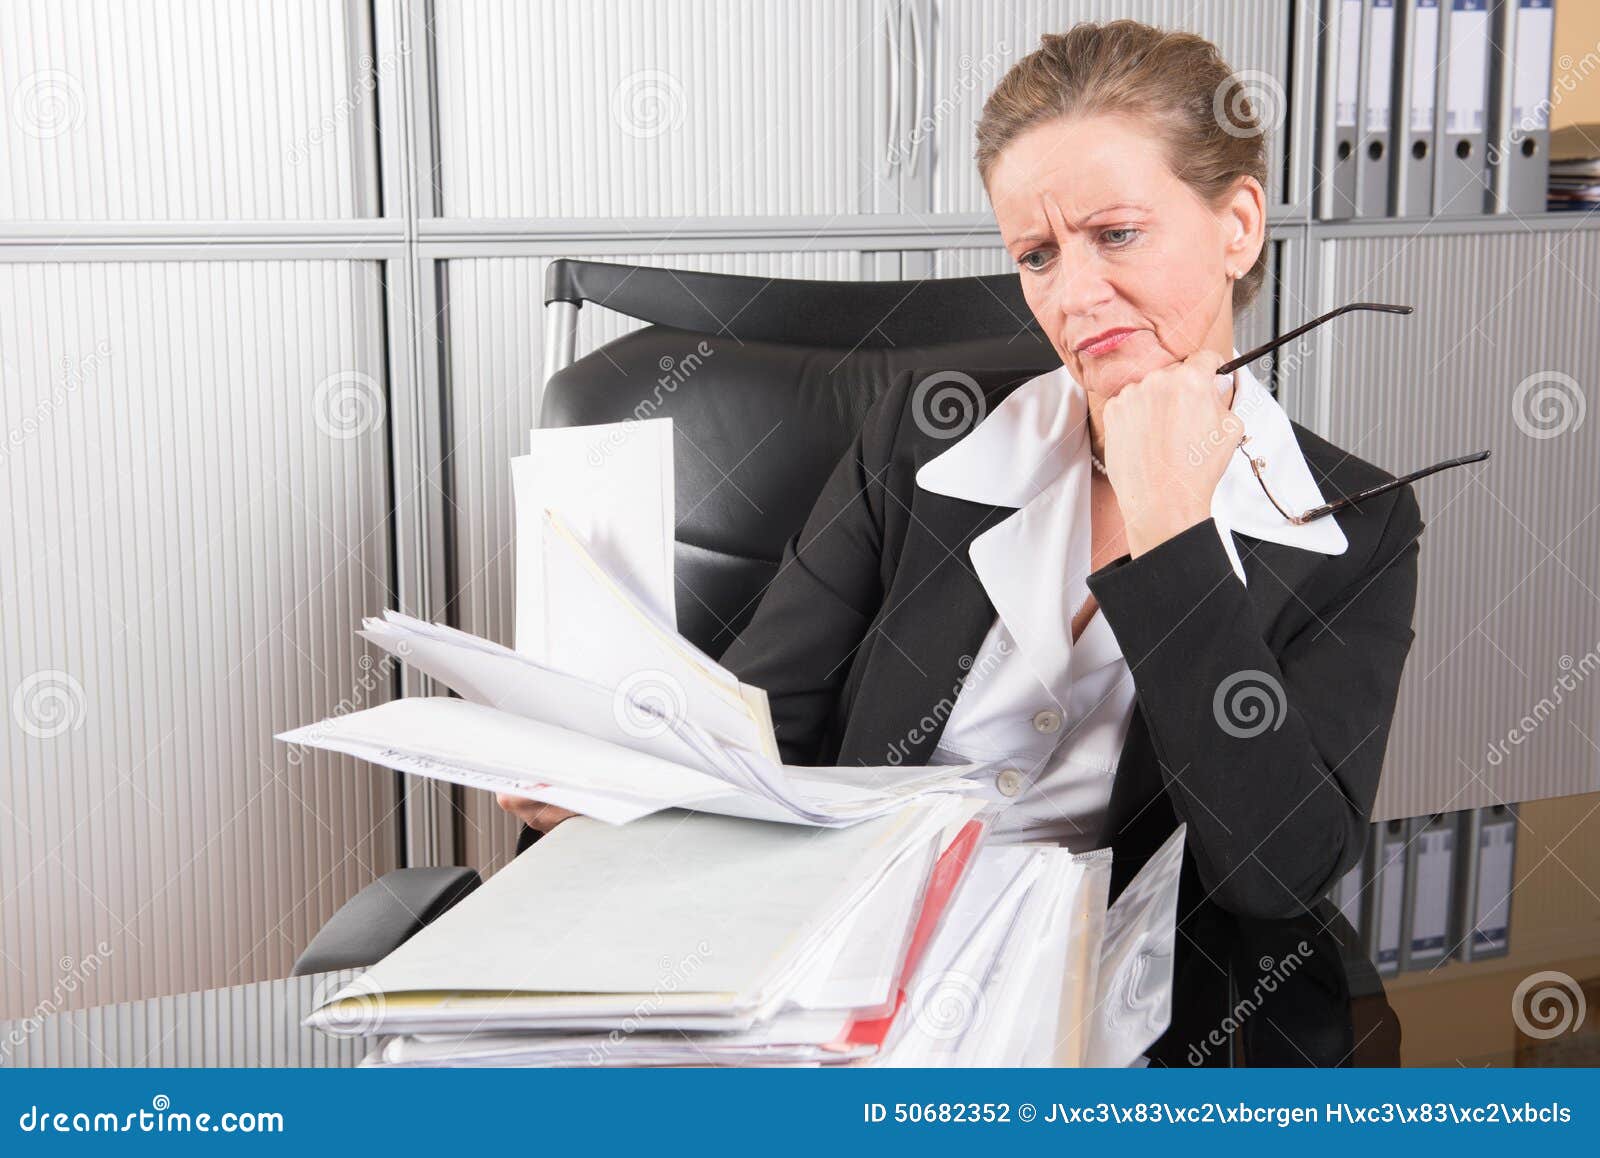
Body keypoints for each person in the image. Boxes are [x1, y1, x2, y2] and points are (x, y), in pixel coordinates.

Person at [501, 20, 1422, 920]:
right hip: (852, 930)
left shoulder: (1356, 530)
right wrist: (631, 794)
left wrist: (1174, 530)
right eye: (1037, 255)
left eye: (1118, 234)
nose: (1074, 296)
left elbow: (1278, 877)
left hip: (1119, 1005)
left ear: (1238, 227)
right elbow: (759, 726)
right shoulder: (925, 436)